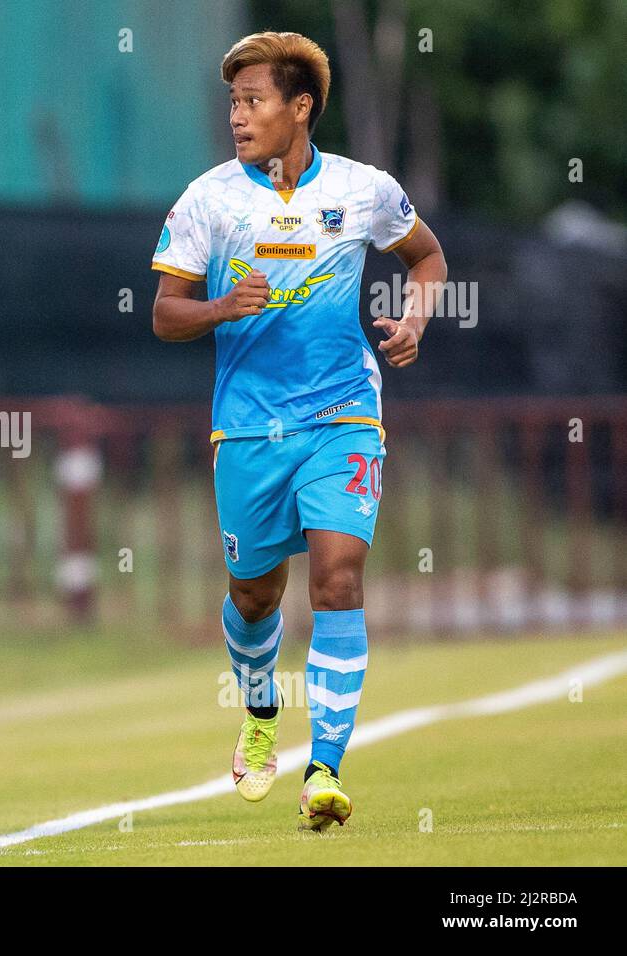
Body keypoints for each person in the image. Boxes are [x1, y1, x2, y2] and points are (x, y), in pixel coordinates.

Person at [151, 31, 447, 830]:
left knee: (339, 578)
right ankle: (257, 709)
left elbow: (427, 260)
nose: (238, 118)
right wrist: (219, 307)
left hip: (342, 414)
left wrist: (416, 321)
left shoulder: (364, 189)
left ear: (301, 106)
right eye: (233, 104)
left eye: (253, 102)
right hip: (248, 432)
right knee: (255, 596)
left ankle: (325, 767)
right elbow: (164, 313)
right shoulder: (208, 200)